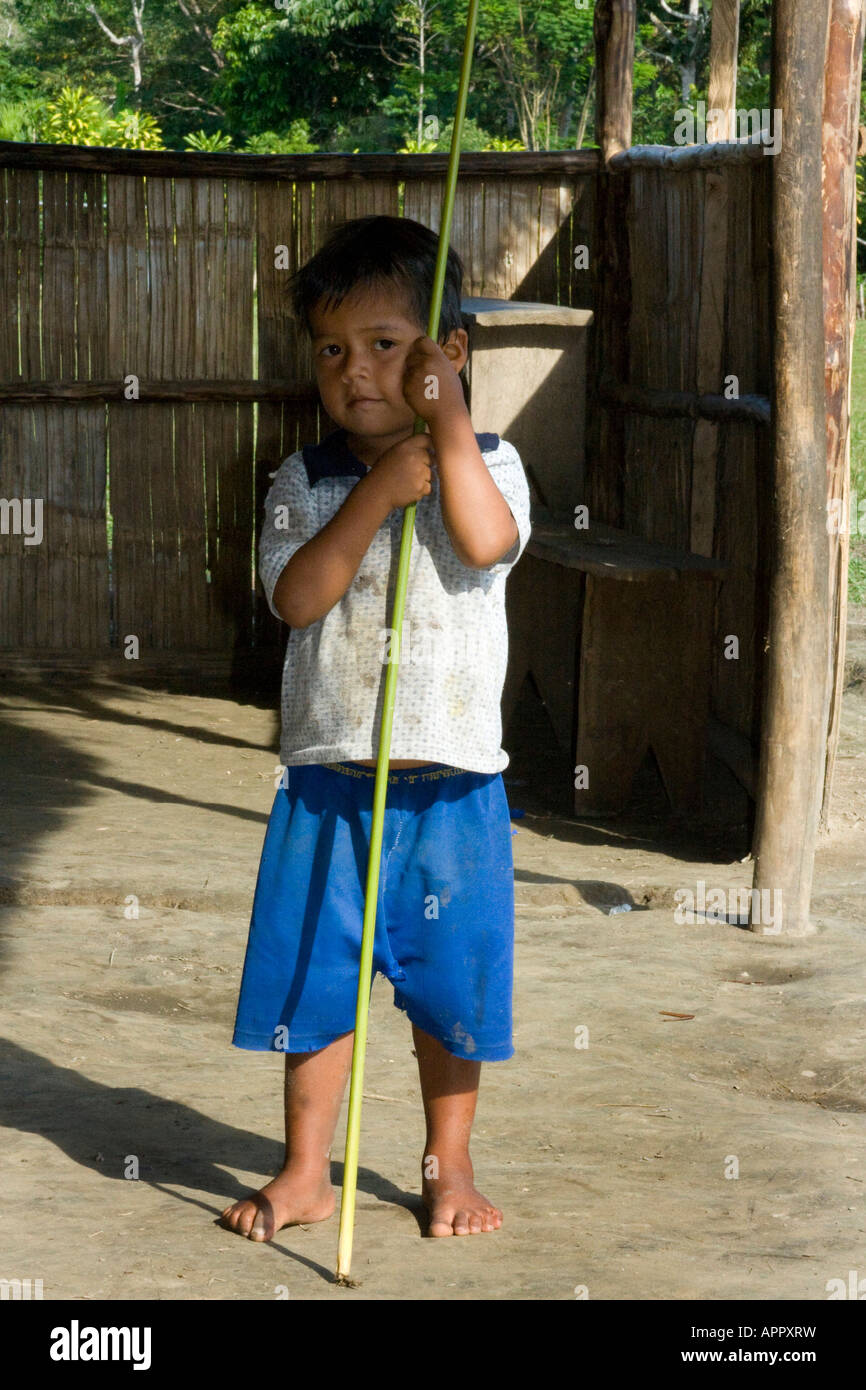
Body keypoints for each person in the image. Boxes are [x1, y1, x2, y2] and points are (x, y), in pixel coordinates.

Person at [222, 215, 531, 1242]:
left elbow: (486, 543)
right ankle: (306, 1168)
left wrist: (442, 439)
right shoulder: (302, 482)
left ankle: (449, 1168)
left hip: (450, 786)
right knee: (313, 975)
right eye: (332, 350)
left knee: (450, 989)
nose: (354, 371)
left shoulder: (490, 464)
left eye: (386, 346)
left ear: (449, 354)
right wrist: (374, 500)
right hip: (328, 783)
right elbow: (295, 599)